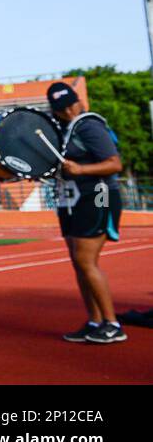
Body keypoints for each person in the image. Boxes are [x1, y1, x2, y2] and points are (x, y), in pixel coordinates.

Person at [47, 81, 127, 345]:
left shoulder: (90, 125)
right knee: (79, 262)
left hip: (99, 195)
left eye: (71, 105)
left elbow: (114, 164)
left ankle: (112, 324)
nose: (69, 111)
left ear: (78, 101)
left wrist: (81, 171)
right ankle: (94, 321)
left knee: (85, 260)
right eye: (62, 109)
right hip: (74, 199)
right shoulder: (65, 129)